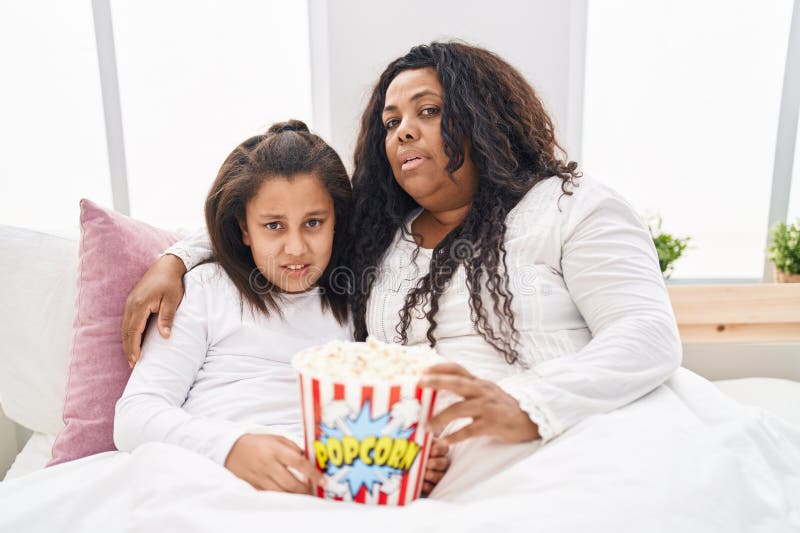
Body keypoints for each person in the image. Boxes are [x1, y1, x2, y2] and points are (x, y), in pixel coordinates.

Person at [122, 43, 681, 492]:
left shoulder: (570, 206)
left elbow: (647, 332)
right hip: (418, 480)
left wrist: (531, 404)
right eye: (391, 122)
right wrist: (176, 257)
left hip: (567, 447)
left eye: (429, 111)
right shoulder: (381, 236)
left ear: (485, 118)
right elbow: (278, 211)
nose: (404, 131)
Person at [114, 120, 449, 495]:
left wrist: (406, 448)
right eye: (274, 226)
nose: (295, 248)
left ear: (337, 220)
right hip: (210, 471)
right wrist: (232, 447)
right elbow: (134, 416)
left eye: (313, 223)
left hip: (318, 480)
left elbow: (376, 411)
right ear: (243, 228)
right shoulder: (206, 290)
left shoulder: (360, 298)